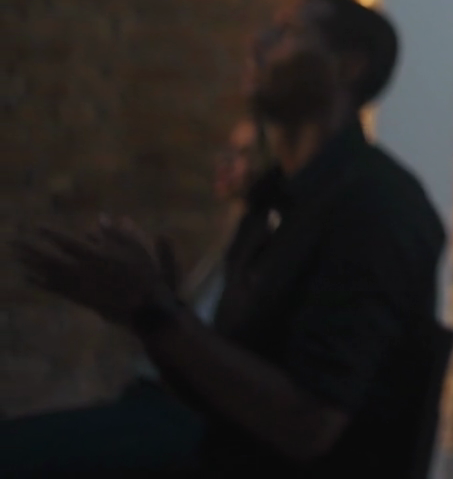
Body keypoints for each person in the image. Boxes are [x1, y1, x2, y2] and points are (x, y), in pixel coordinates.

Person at [14, 0, 446, 478]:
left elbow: (309, 425)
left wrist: (157, 312)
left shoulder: (377, 206)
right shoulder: (276, 201)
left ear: (347, 67)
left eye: (287, 32)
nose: (256, 43)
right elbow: (217, 381)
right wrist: (146, 313)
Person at [0, 119, 265, 476]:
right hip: (153, 397)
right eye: (227, 152)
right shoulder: (230, 239)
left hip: (179, 416)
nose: (226, 163)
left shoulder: (265, 248)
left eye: (244, 154)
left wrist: (158, 309)